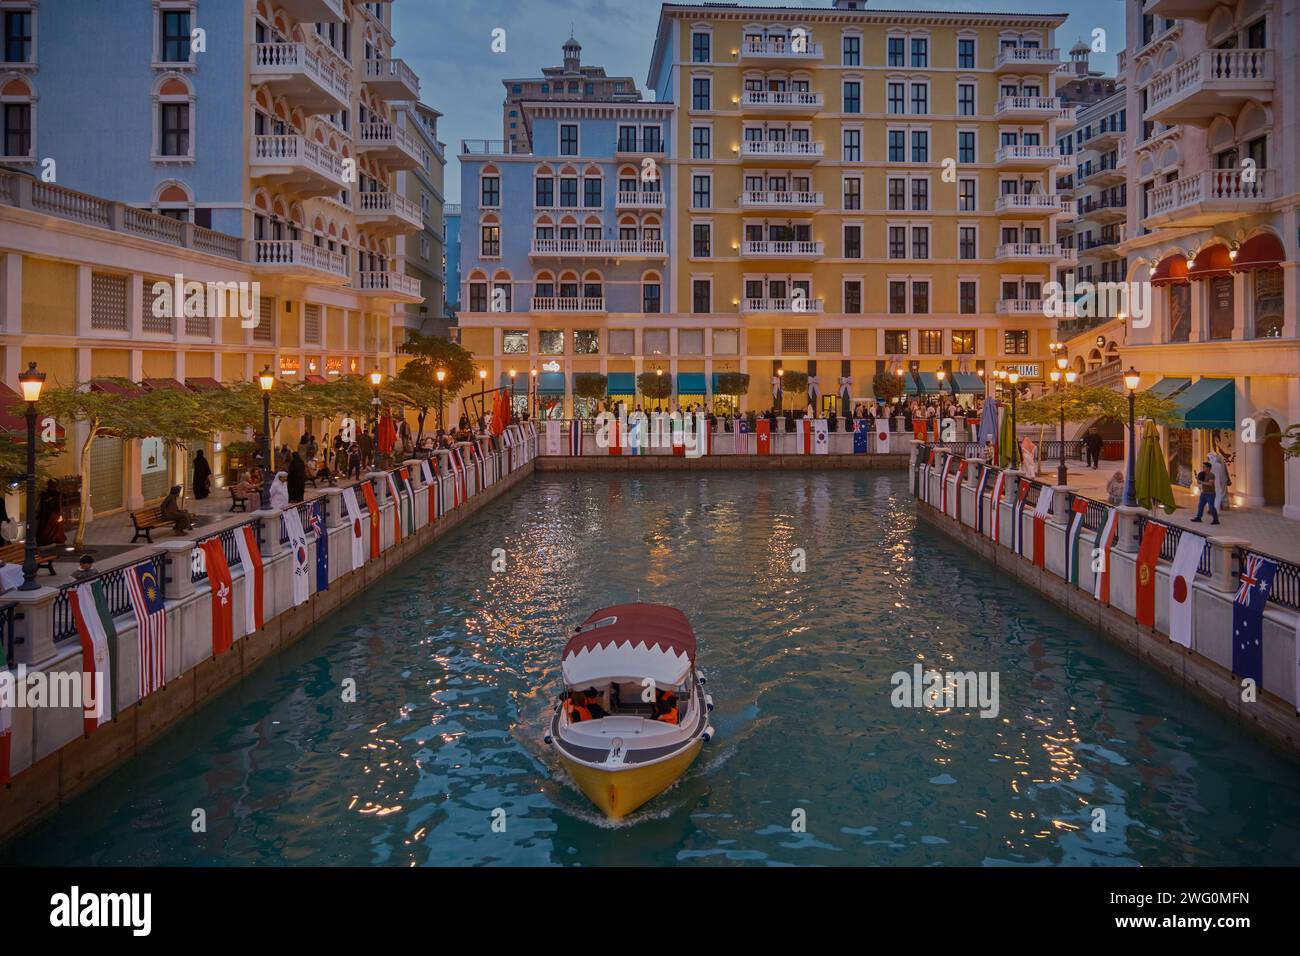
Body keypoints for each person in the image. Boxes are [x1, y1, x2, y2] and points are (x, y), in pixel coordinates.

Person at [35, 478, 65, 546]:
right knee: (54, 529)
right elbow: (58, 504)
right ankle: (52, 540)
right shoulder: (57, 493)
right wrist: (59, 514)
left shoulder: (44, 493)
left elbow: (42, 504)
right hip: (52, 514)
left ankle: (45, 541)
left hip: (45, 514)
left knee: (46, 529)